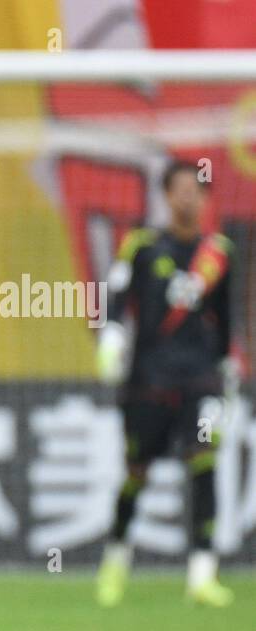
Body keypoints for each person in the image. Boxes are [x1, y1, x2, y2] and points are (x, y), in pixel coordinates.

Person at [94, 158, 240, 608]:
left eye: (194, 191)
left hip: (200, 379)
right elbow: (117, 298)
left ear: (204, 198)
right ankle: (116, 558)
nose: (186, 198)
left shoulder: (219, 253)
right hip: (148, 381)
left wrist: (229, 366)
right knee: (137, 471)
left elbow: (228, 318)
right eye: (178, 190)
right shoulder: (141, 246)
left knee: (204, 461)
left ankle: (201, 573)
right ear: (165, 195)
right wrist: (113, 336)